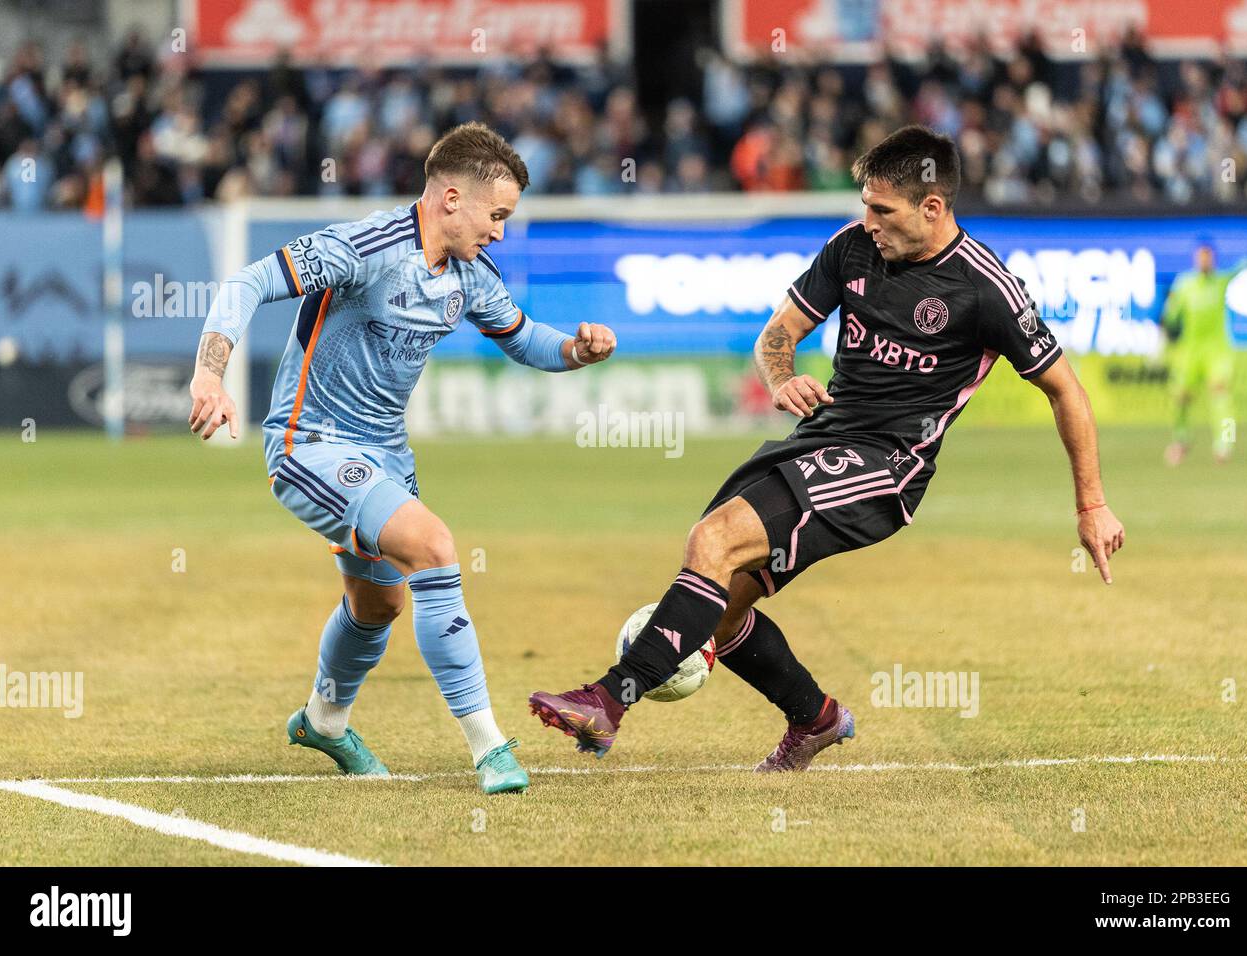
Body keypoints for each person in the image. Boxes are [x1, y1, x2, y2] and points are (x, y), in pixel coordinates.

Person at [529, 125, 1124, 771]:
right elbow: (776, 334)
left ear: (932, 207)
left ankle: (606, 702)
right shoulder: (850, 250)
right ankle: (815, 720)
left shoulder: (986, 288)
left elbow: (1067, 392)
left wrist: (1091, 505)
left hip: (889, 464)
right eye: (864, 205)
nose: (866, 222)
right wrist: (781, 380)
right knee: (723, 606)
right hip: (819, 441)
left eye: (881, 210)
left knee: (714, 540)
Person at [188, 122, 616, 792]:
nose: (501, 231)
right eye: (496, 215)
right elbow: (246, 281)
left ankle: (324, 722)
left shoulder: (470, 274)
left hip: (387, 456)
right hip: (312, 443)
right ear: (451, 198)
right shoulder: (364, 247)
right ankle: (491, 750)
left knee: (377, 606)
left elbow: (523, 337)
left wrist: (574, 351)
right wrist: (211, 373)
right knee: (435, 546)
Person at [1160, 241, 1247, 465]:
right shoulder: (1185, 285)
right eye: (1201, 257)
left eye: (1208, 257)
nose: (1205, 261)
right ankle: (1181, 440)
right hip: (1190, 352)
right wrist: (1165, 334)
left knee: (1221, 394)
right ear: (1195, 259)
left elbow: (1242, 267)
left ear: (1214, 259)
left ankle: (1226, 442)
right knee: (1180, 397)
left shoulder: (1221, 281)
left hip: (1217, 351)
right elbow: (1171, 318)